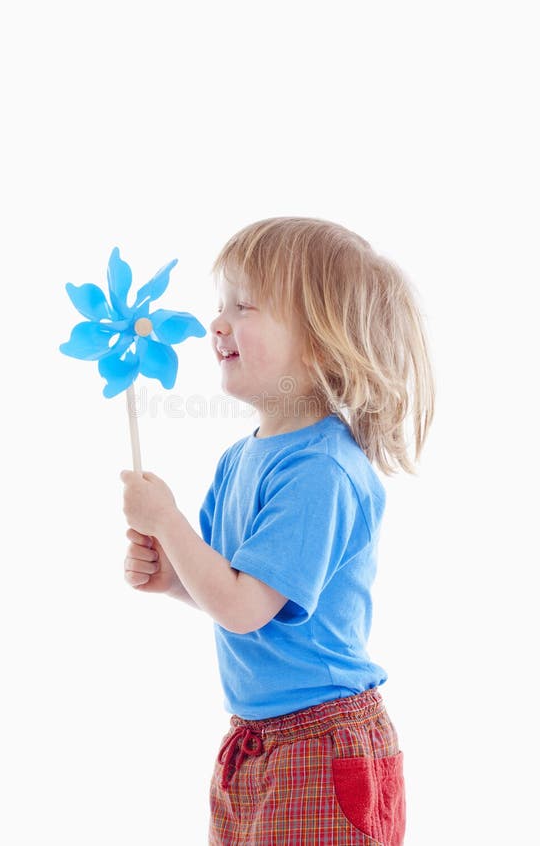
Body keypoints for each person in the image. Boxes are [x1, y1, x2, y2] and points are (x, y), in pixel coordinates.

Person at [121, 216, 434, 845]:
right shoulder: (239, 460)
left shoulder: (321, 471)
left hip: (322, 744)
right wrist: (173, 577)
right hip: (258, 738)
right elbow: (231, 588)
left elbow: (242, 608)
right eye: (220, 304)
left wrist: (168, 521)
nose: (217, 323)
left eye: (244, 306)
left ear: (320, 343)